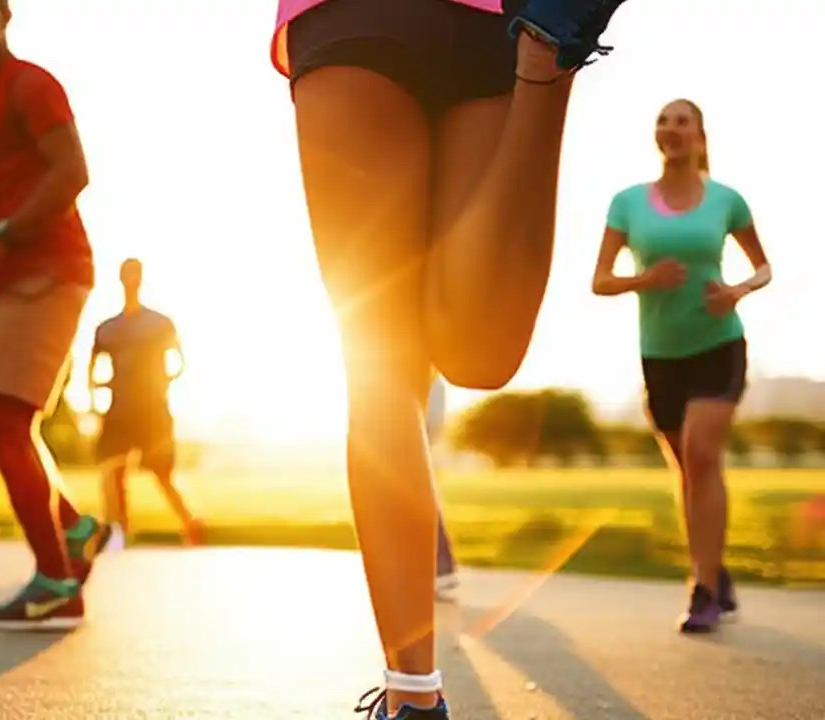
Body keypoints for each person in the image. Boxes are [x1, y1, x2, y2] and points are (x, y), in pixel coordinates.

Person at [271, 0, 632, 717]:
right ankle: (546, 56)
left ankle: (413, 697)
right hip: (486, 19)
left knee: (378, 360)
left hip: (352, 20)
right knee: (479, 354)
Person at [0, 0, 111, 633]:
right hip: (9, 275)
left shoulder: (31, 83)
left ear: (4, 13)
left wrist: (4, 240)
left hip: (47, 268)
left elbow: (73, 171)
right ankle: (74, 528)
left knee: (5, 421)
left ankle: (56, 585)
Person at [592, 99, 771, 634]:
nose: (670, 129)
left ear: (699, 136)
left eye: (681, 122)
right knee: (687, 472)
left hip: (718, 346)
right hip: (660, 355)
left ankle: (704, 592)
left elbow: (763, 267)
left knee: (700, 454)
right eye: (663, 121)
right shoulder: (627, 203)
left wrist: (737, 290)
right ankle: (714, 567)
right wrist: (643, 280)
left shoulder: (725, 200)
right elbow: (599, 280)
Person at [89, 258, 204, 547]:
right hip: (119, 410)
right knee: (113, 472)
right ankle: (118, 533)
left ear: (140, 278)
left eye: (134, 274)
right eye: (126, 274)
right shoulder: (108, 328)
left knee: (162, 473)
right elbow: (91, 372)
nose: (130, 279)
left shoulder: (159, 324)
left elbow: (181, 363)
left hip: (152, 409)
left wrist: (163, 381)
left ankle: (191, 525)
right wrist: (96, 396)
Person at [426, 374, 458, 599]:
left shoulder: (432, 378)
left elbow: (433, 424)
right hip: (413, 446)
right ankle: (440, 571)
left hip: (414, 448)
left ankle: (441, 572)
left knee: (424, 508)